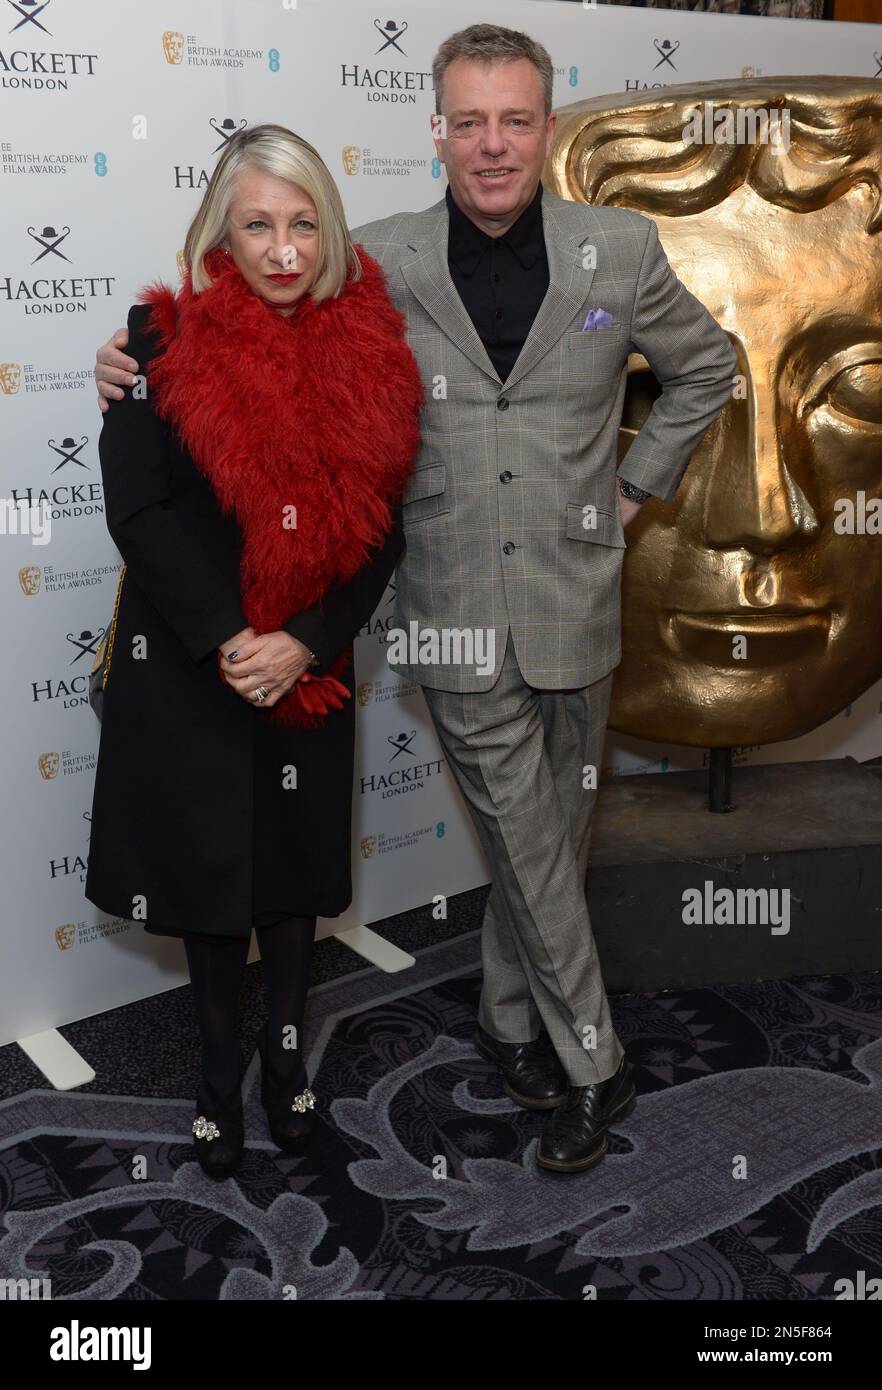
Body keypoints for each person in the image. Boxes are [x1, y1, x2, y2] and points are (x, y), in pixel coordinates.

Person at [94, 26, 737, 1176]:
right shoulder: (378, 257)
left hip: (575, 599)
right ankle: (596, 1059)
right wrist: (136, 360)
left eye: (516, 120)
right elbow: (257, 320)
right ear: (435, 129)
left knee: (544, 838)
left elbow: (708, 368)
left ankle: (502, 1017)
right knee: (532, 841)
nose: (492, 146)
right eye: (469, 121)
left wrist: (637, 489)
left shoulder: (621, 249)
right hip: (440, 604)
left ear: (549, 127)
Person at [86, 123, 422, 1180]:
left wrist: (307, 644)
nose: (283, 249)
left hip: (308, 670)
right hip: (193, 665)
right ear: (220, 235)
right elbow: (138, 510)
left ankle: (289, 1068)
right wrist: (235, 641)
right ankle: (217, 1079)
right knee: (208, 886)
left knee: (286, 884)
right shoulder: (156, 344)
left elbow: (383, 531)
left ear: (330, 227)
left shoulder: (375, 350)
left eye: (302, 222)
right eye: (258, 225)